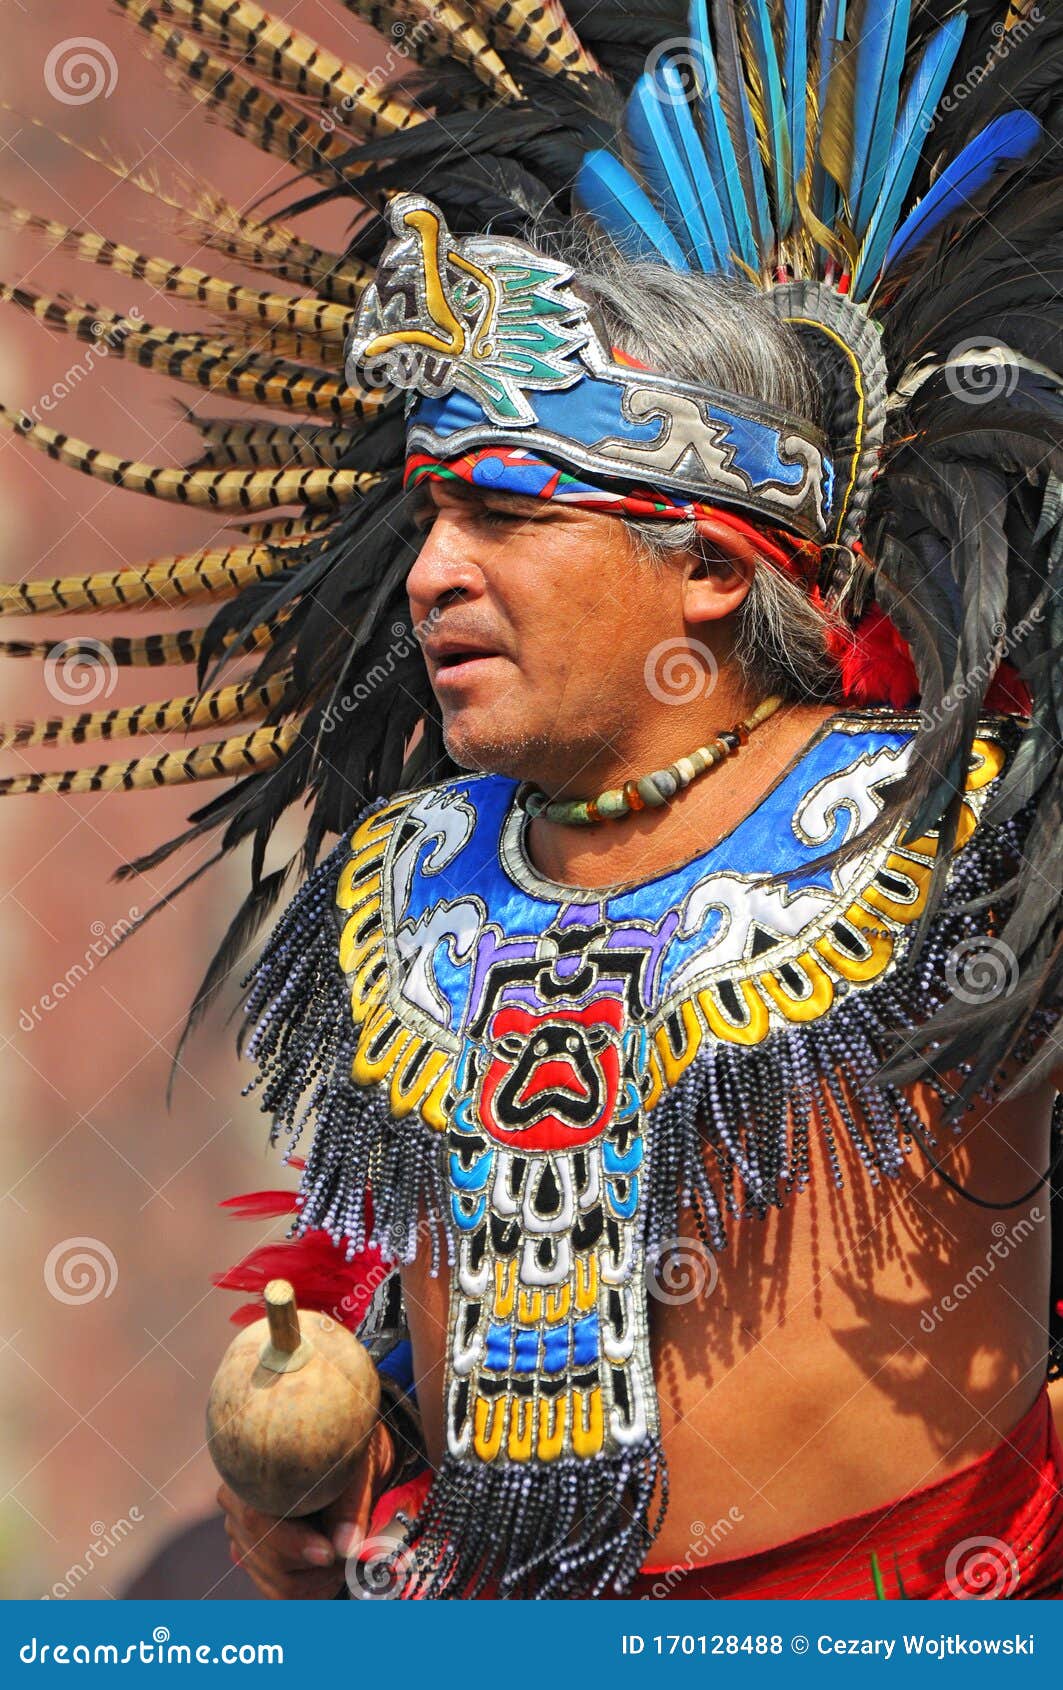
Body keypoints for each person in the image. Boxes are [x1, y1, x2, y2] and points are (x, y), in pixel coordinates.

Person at [2, 0, 1062, 1603]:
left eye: (502, 510)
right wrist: (328, 1457)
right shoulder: (405, 879)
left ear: (708, 561)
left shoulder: (969, 837)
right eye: (431, 512)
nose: (431, 570)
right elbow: (416, 1281)